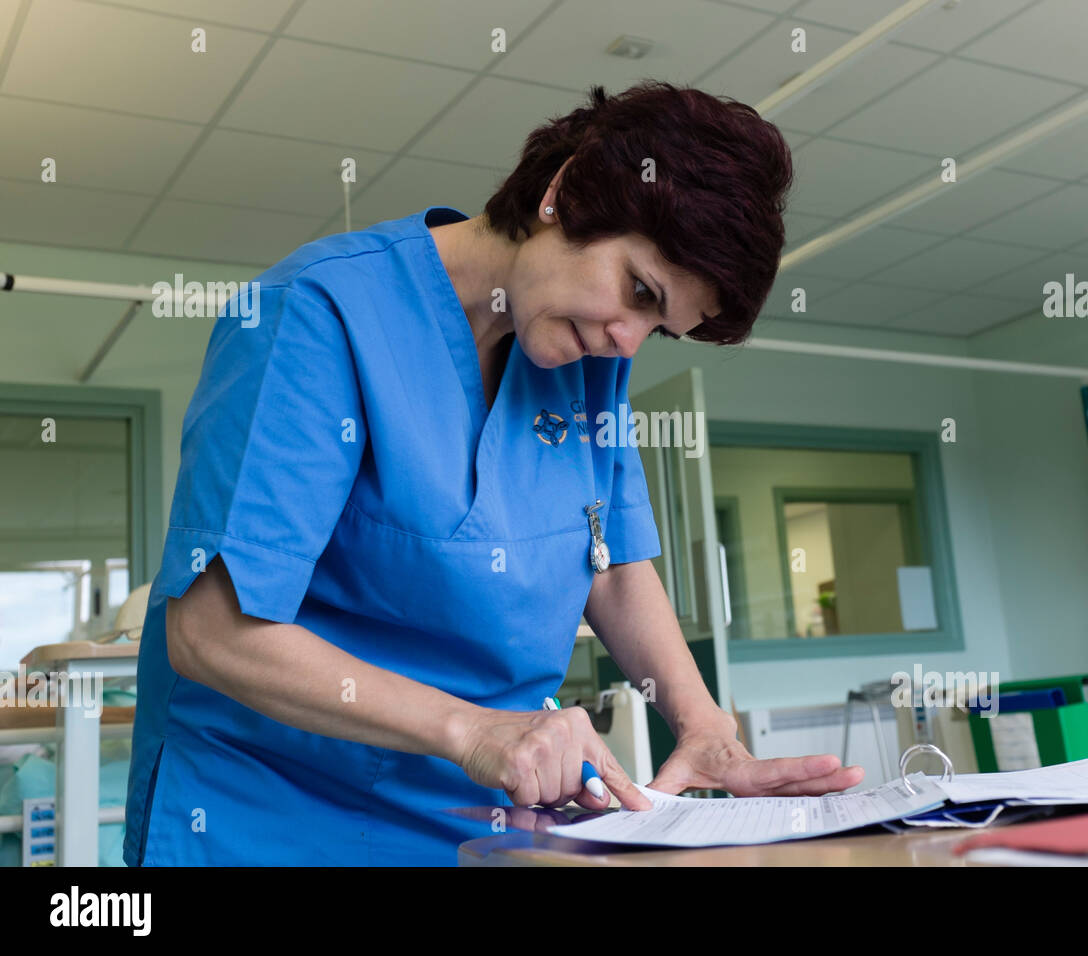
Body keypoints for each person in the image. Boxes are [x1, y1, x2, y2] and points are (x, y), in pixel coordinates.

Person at [124, 80, 864, 866]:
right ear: (565, 193)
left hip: (480, 831)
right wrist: (473, 729)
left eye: (660, 327)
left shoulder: (583, 359)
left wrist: (706, 729)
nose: (628, 342)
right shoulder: (316, 314)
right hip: (271, 823)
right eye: (639, 291)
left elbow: (609, 565)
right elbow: (210, 633)